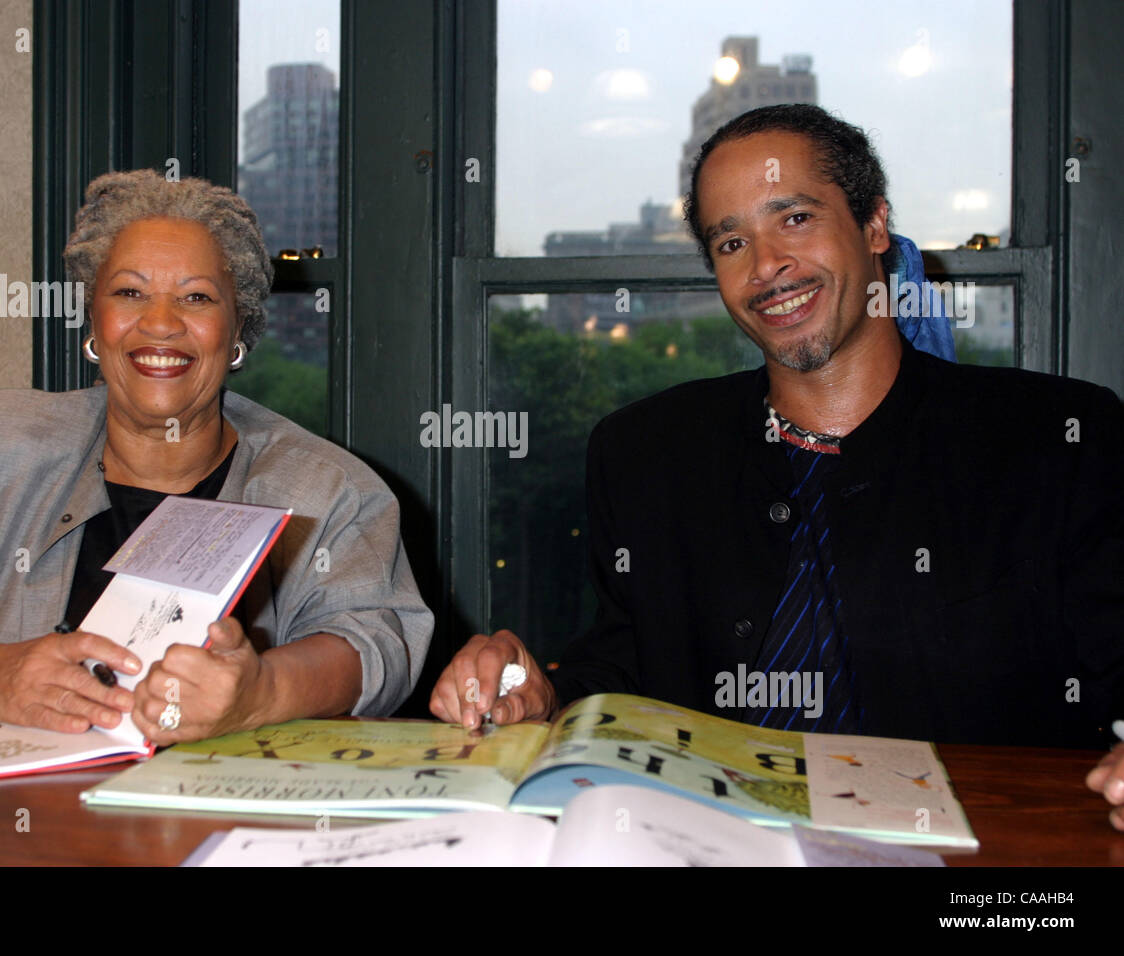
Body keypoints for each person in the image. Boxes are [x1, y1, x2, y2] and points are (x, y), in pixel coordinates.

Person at [431, 106, 1123, 763]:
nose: (765, 265)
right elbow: (623, 669)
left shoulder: (1055, 441)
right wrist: (538, 691)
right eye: (732, 242)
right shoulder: (644, 452)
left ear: (874, 223)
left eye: (794, 218)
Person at [0, 169, 433, 744]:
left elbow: (379, 645)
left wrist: (262, 692)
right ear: (95, 317)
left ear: (238, 329)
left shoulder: (328, 487)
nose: (160, 323)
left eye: (195, 298)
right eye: (129, 292)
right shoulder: (0, 444)